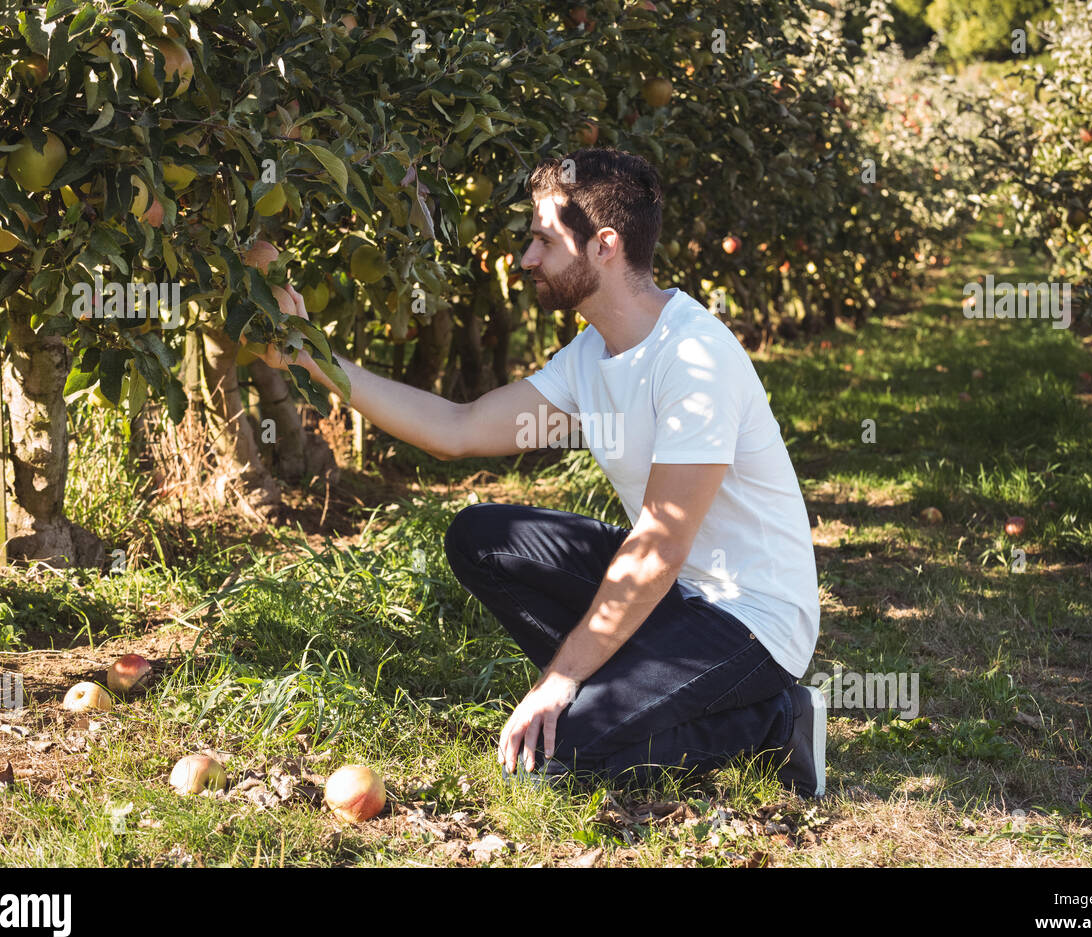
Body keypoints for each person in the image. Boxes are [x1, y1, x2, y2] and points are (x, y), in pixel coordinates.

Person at [265, 148, 826, 796]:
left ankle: (774, 721)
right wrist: (315, 358)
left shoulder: (695, 359)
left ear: (604, 246)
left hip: (751, 618)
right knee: (480, 538)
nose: (526, 259)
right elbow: (457, 427)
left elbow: (660, 548)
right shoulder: (593, 352)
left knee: (561, 763)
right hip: (676, 598)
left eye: (541, 240)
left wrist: (558, 678)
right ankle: (608, 692)